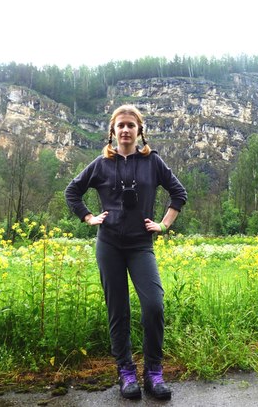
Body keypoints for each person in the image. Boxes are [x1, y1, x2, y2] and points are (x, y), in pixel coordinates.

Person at [65, 104, 187, 400]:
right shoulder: (101, 164)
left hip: (140, 245)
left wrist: (163, 224)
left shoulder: (152, 162)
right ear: (112, 130)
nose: (125, 130)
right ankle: (126, 372)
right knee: (118, 310)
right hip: (109, 245)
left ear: (139, 130)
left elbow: (178, 193)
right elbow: (72, 191)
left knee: (154, 305)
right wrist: (88, 217)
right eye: (120, 125)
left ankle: (154, 372)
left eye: (131, 125)